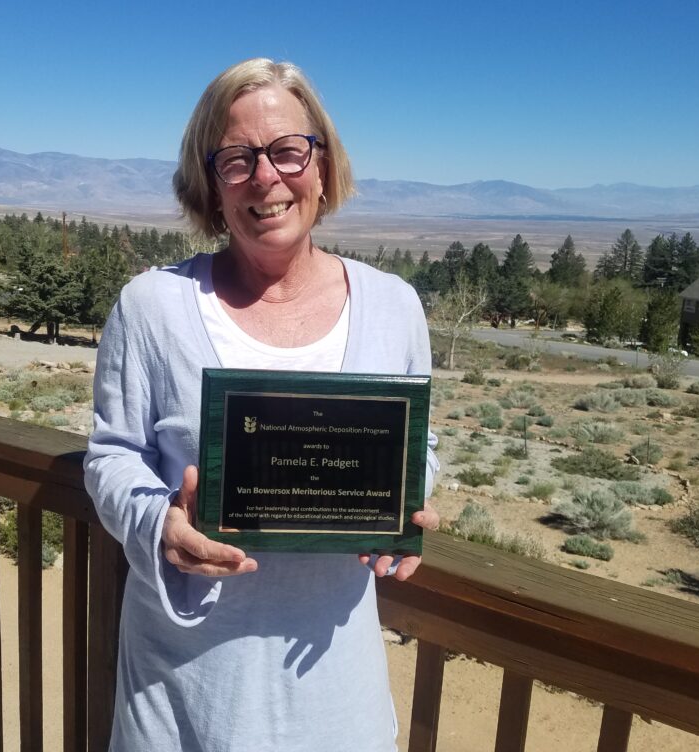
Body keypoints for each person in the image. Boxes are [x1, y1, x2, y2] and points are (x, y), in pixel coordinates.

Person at [84, 57, 440, 752]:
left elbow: (416, 443)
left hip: (335, 693)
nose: (266, 177)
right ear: (210, 185)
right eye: (237, 159)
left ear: (323, 166)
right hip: (183, 693)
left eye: (287, 151)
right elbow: (112, 457)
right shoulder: (152, 306)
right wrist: (159, 523)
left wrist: (406, 498)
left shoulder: (394, 307)